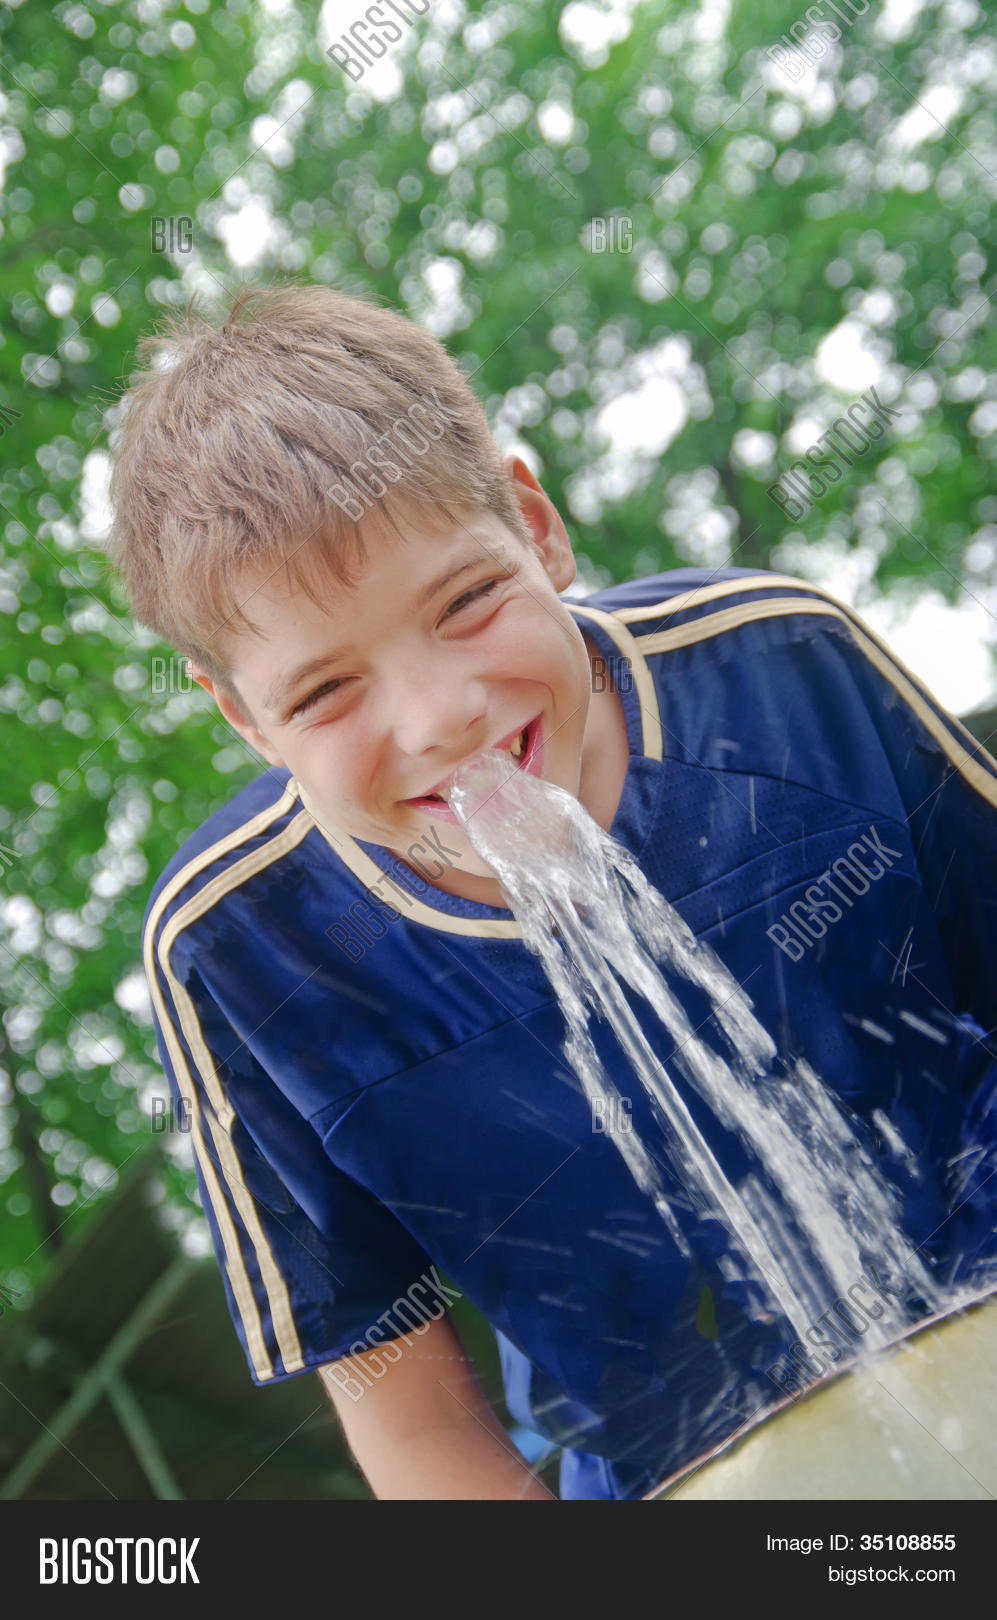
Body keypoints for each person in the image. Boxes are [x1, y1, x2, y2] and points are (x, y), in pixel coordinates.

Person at [107, 281, 997, 1501]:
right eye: (325, 693)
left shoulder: (779, 662)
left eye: (465, 602)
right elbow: (399, 1396)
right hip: (683, 1477)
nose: (439, 719)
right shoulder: (240, 953)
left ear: (536, 527)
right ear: (245, 718)